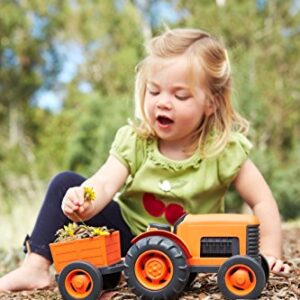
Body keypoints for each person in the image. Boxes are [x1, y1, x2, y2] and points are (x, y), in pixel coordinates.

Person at [0, 27, 290, 292]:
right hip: (127, 240)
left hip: (185, 253)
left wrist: (270, 253)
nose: (163, 101)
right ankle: (35, 268)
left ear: (211, 102)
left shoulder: (223, 150)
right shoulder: (136, 141)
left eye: (180, 95)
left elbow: (262, 200)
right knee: (65, 181)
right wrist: (84, 200)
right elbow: (104, 183)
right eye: (155, 91)